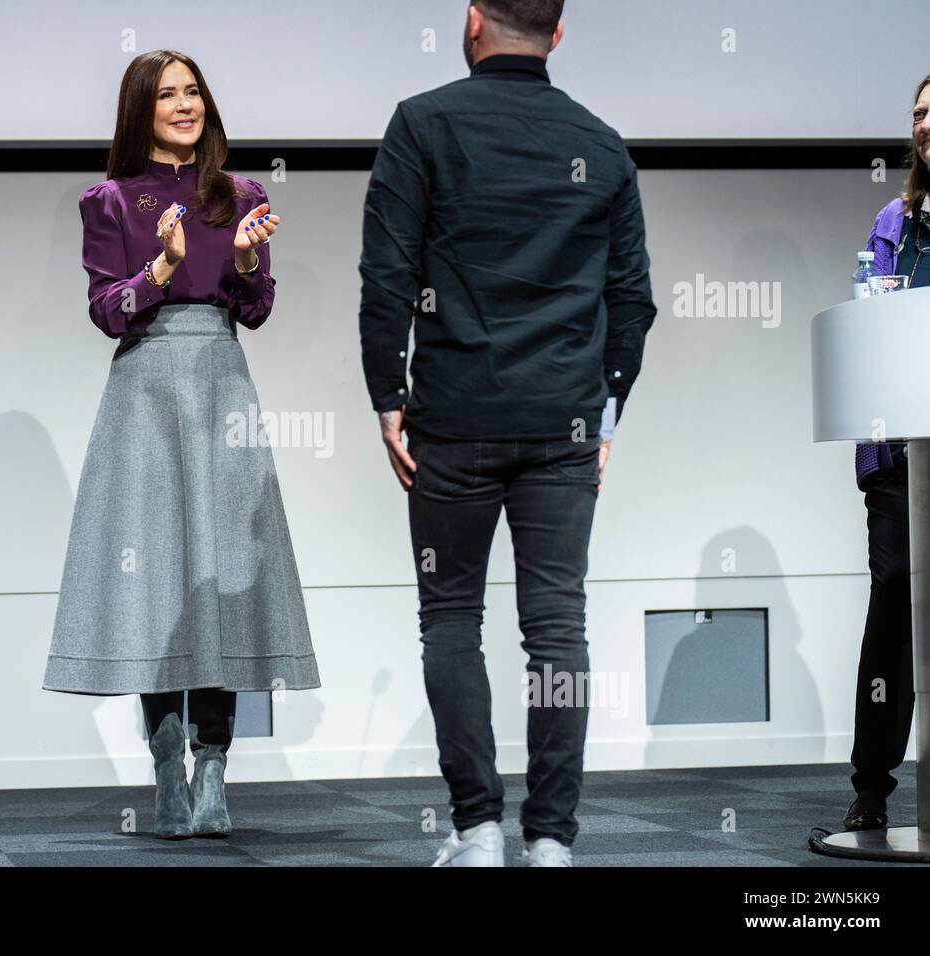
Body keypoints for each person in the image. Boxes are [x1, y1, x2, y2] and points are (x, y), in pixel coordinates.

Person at [358, 0, 656, 867]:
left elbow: (387, 275)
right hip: (564, 420)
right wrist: (607, 409)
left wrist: (389, 394)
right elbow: (632, 298)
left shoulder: (422, 124)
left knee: (450, 618)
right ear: (557, 34)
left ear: (474, 20)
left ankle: (479, 829)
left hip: (452, 418)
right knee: (557, 627)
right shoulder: (601, 143)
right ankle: (553, 840)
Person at [42, 50, 321, 839]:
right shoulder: (110, 201)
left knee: (220, 571)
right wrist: (160, 268)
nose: (185, 105)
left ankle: (213, 767)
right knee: (157, 577)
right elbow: (106, 311)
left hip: (221, 383)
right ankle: (165, 762)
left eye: (193, 91)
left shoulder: (240, 196)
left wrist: (239, 261)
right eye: (168, 94)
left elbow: (256, 308)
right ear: (142, 109)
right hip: (145, 390)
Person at [842, 74, 930, 832]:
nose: (925, 124)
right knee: (894, 598)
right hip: (903, 461)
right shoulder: (892, 221)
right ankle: (872, 783)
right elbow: (866, 324)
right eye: (920, 113)